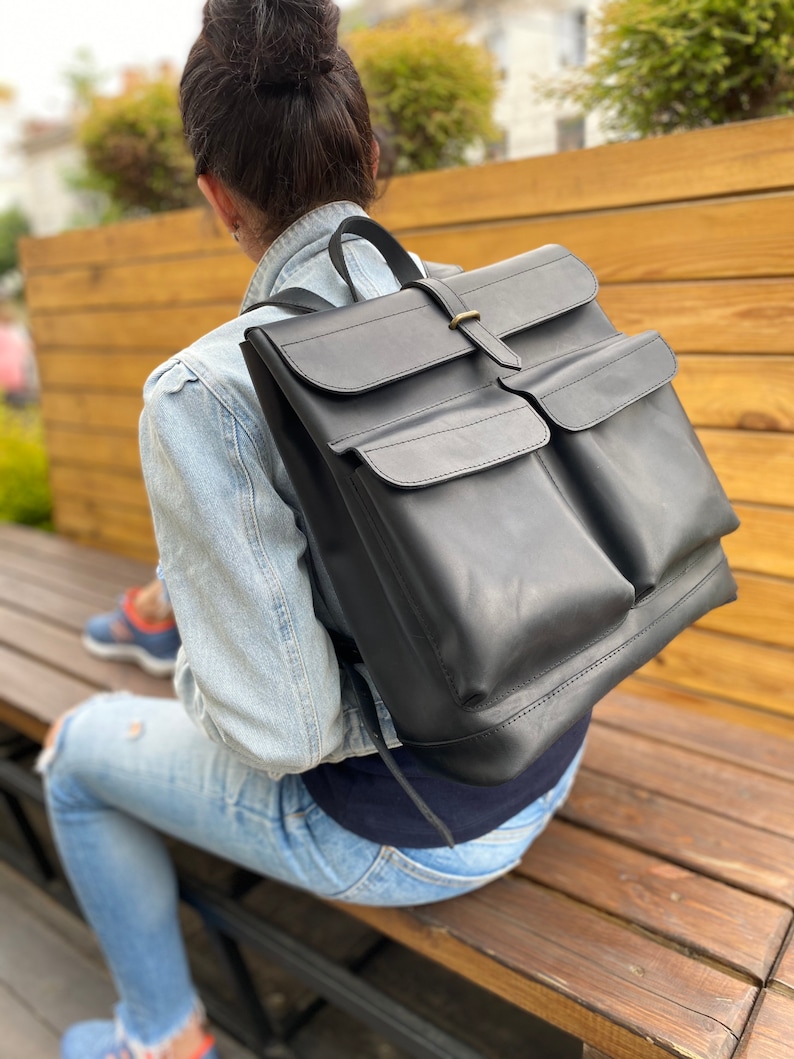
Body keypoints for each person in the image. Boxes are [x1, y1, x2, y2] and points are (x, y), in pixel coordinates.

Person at [39, 3, 590, 1058]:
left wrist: (201, 661)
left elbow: (283, 735)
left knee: (75, 754)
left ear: (214, 197)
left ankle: (159, 1033)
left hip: (420, 834)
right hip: (553, 747)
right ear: (369, 155)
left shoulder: (205, 392)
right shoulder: (466, 309)